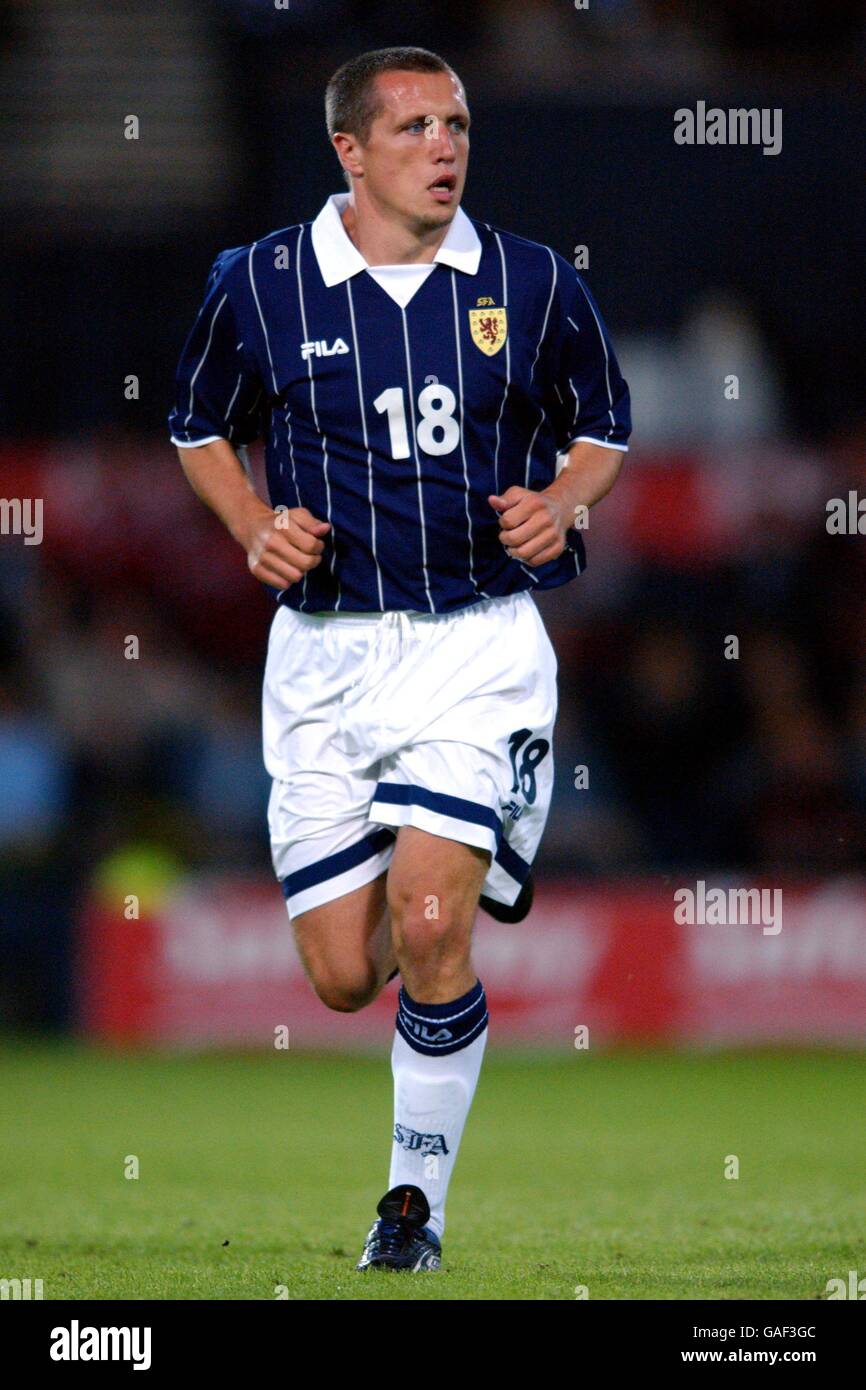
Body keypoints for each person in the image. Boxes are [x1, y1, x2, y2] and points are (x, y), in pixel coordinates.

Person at [168, 45, 631, 1273]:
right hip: (322, 661)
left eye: (458, 125)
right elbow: (198, 427)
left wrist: (563, 500)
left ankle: (408, 1214)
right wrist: (251, 524)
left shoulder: (531, 282)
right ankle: (428, 889)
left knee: (431, 924)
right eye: (417, 127)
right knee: (337, 974)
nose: (445, 147)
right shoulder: (261, 284)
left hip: (472, 652)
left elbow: (603, 427)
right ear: (349, 149)